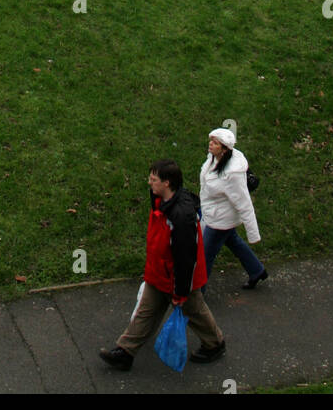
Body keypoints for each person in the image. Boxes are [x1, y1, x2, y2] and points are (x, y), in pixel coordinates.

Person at [99, 159, 225, 371]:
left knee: (194, 311)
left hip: (178, 280)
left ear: (167, 183)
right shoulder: (163, 201)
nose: (149, 182)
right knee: (146, 312)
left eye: (154, 178)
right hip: (159, 273)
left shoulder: (181, 217)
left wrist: (180, 291)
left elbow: (185, 258)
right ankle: (126, 351)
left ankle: (215, 343)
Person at [199, 127, 267, 288]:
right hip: (218, 215)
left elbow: (244, 203)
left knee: (204, 256)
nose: (210, 144)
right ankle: (257, 270)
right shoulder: (215, 158)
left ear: (224, 148)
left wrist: (253, 234)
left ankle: (198, 294)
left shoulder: (232, 174)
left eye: (215, 143)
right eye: (211, 141)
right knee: (233, 241)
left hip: (220, 221)